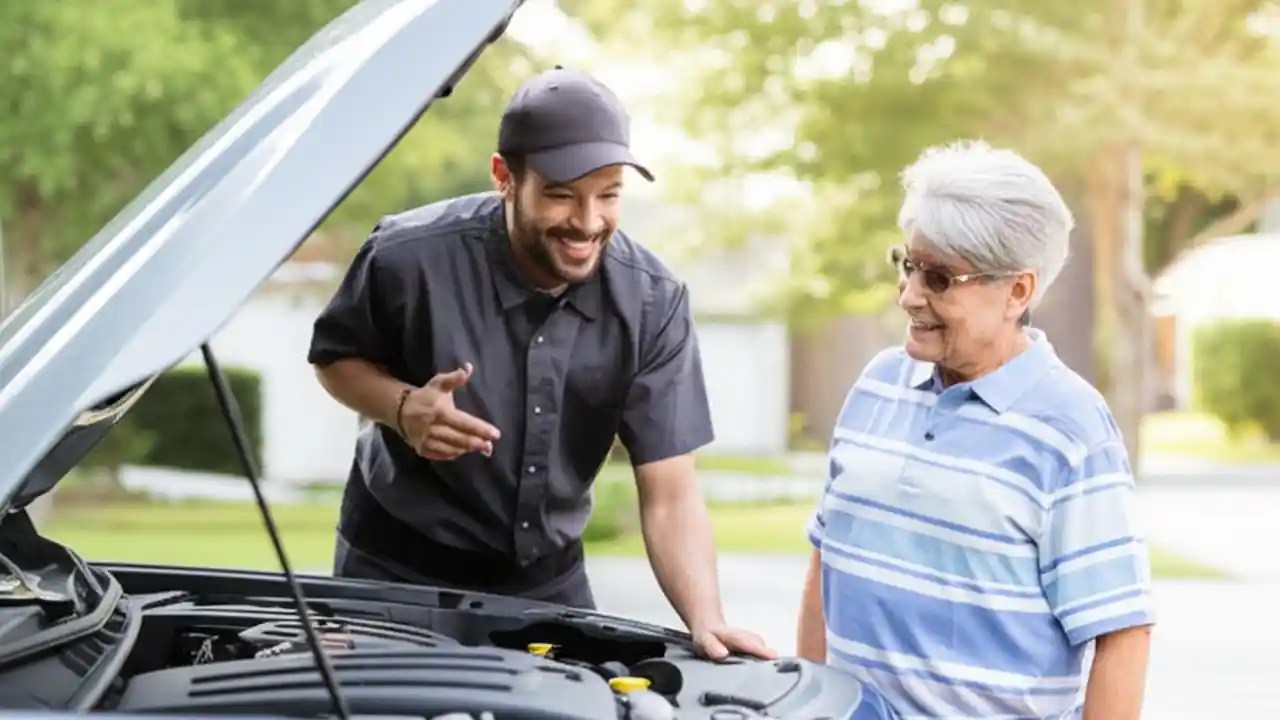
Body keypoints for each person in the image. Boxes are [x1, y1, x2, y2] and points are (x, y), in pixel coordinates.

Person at [307, 66, 773, 661]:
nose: (587, 221)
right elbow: (335, 358)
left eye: (608, 195)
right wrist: (400, 408)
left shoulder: (653, 301)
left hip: (548, 584)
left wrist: (707, 620)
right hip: (392, 571)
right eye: (560, 195)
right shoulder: (406, 258)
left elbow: (671, 492)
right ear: (505, 176)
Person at [798, 140, 1154, 719]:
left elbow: (1121, 632)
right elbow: (825, 563)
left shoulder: (1071, 427)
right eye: (908, 265)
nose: (910, 295)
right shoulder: (877, 385)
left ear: (1018, 290)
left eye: (939, 279)